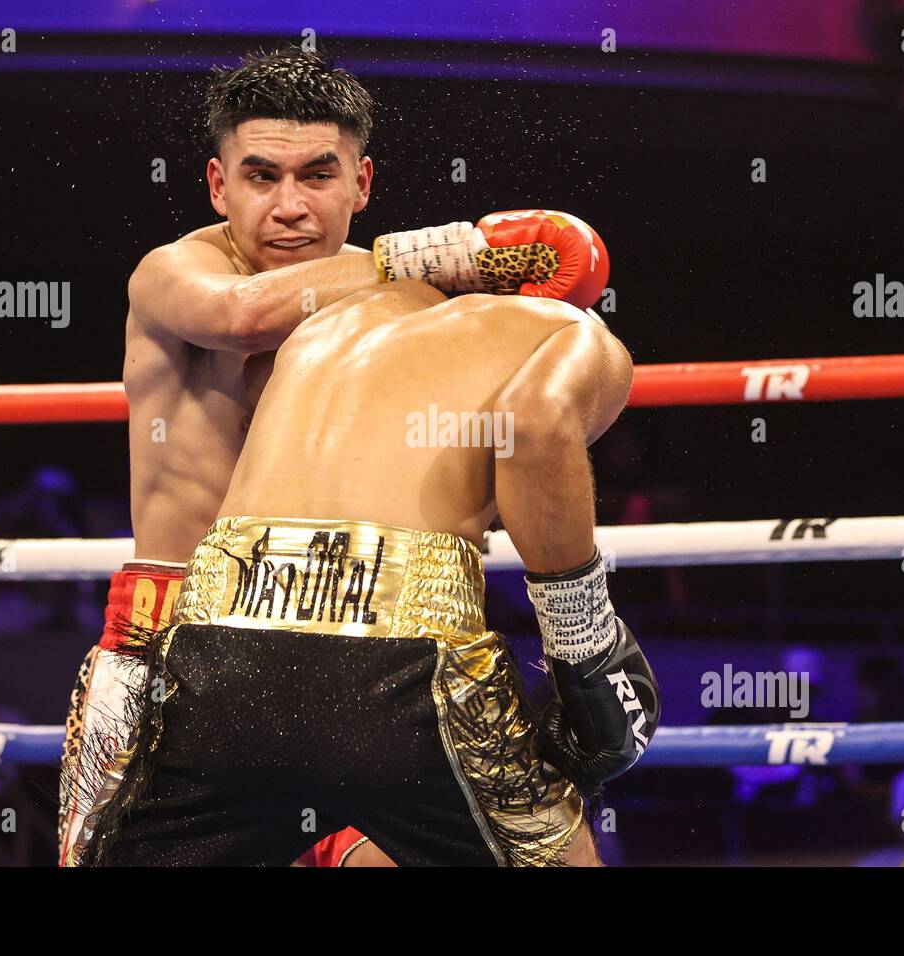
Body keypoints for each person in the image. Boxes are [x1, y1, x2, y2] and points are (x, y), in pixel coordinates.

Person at [58, 46, 614, 867]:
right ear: (219, 186)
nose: (290, 206)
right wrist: (425, 257)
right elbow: (242, 316)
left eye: (318, 176)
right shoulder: (177, 271)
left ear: (361, 184)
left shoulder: (403, 308)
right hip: (173, 632)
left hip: (362, 628)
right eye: (261, 177)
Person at [72, 254, 659, 866]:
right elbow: (533, 428)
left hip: (217, 639)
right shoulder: (571, 331)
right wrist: (584, 641)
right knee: (557, 852)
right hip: (400, 651)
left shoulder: (329, 323)